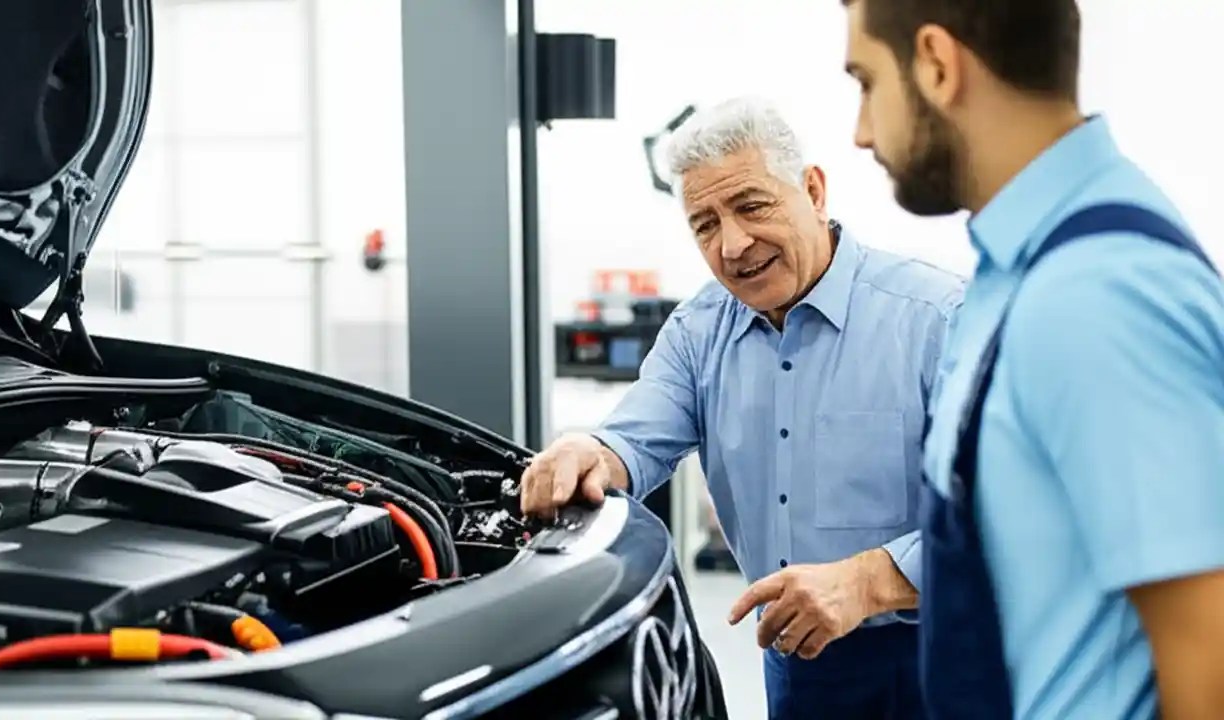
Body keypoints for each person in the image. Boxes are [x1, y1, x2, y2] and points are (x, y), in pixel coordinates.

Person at [519, 96, 965, 719]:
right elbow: (634, 439)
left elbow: (1005, 511)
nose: (733, 244)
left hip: (941, 651)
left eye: (752, 206)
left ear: (812, 190)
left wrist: (867, 582)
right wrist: (585, 451)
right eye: (704, 224)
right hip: (799, 660)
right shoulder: (699, 332)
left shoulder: (938, 321)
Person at [841, 1, 1224, 718]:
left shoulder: (1098, 295)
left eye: (865, 82)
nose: (860, 132)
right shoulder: (1015, 274)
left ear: (936, 63)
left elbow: (1211, 678)